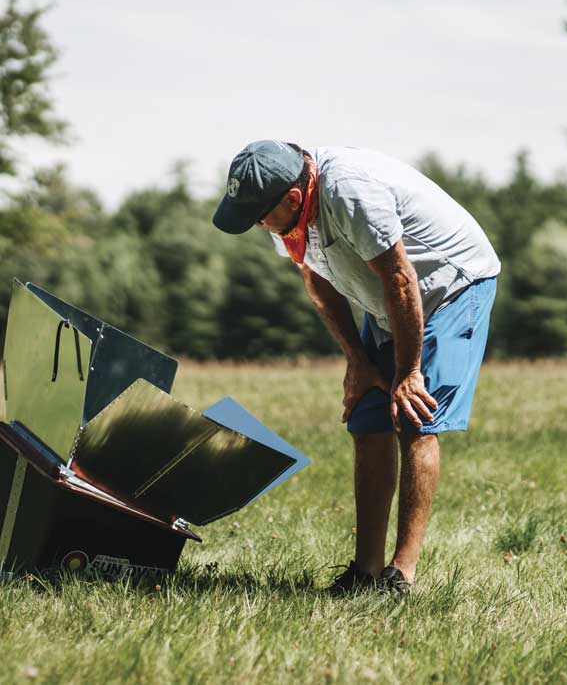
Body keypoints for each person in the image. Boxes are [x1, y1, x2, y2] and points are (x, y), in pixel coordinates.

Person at [212, 140, 500, 596]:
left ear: (292, 198)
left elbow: (401, 279)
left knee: (415, 418)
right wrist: (358, 362)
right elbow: (317, 280)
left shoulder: (350, 193)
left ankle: (400, 575)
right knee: (368, 421)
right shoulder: (283, 201)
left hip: (449, 286)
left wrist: (408, 373)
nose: (258, 226)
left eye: (260, 217)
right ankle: (364, 572)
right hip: (392, 300)